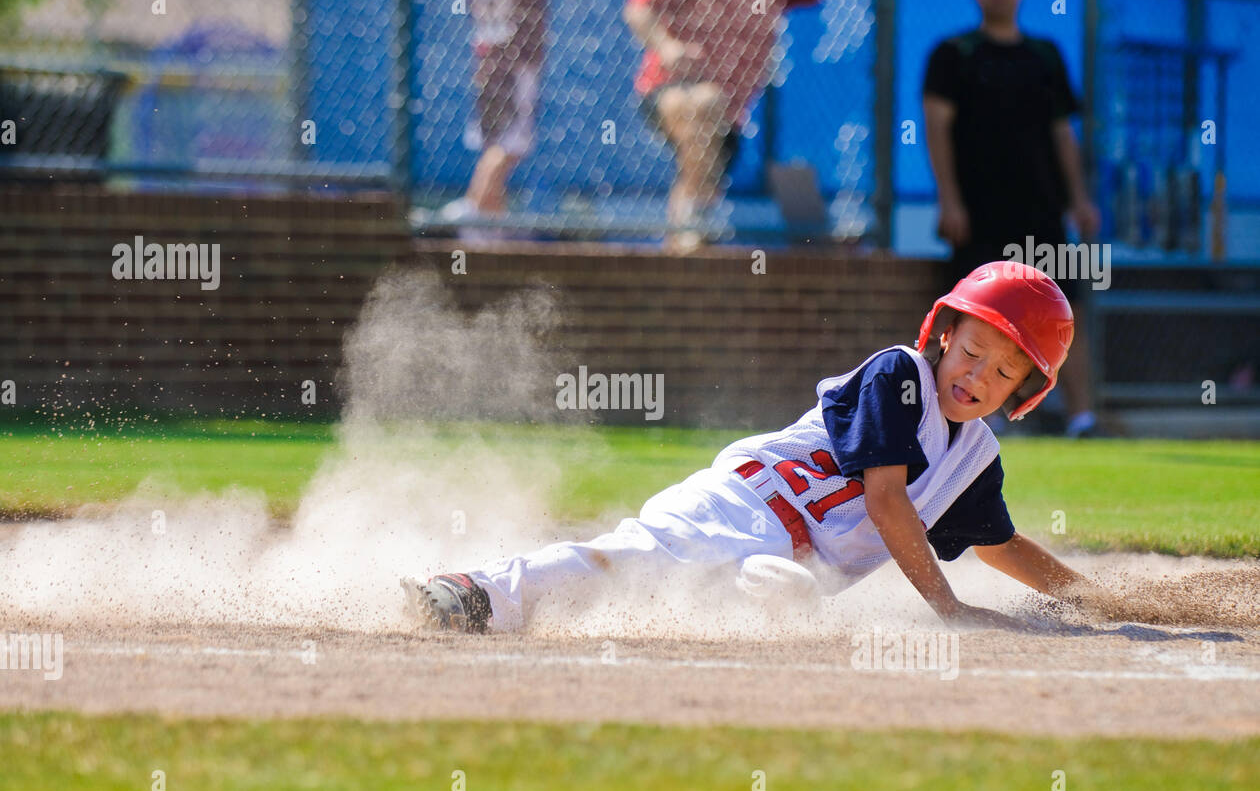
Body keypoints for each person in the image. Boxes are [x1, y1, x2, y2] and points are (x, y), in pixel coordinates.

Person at [404, 261, 1114, 634]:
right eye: (974, 349)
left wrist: (1096, 600)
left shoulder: (974, 458)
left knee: (766, 609)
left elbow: (999, 543)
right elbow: (887, 499)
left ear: (1026, 390)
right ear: (946, 333)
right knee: (643, 558)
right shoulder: (900, 376)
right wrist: (948, 608)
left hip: (790, 562)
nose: (977, 376)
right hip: (746, 502)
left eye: (1003, 371)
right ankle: (479, 592)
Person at [922, 0, 1102, 438]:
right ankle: (960, 419)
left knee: (1067, 309)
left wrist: (1079, 198)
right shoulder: (953, 54)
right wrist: (949, 201)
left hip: (1042, 212)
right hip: (980, 214)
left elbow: (1063, 134)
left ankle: (1081, 417)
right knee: (973, 315)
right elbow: (936, 128)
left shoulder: (1045, 55)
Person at [623, 0, 860, 254]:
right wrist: (667, 47)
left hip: (730, 113)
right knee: (702, 106)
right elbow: (638, 8)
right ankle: (694, 224)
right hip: (671, 88)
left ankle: (686, 235)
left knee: (702, 153)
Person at [438, 0, 599, 241]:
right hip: (515, 63)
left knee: (496, 144)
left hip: (487, 62)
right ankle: (474, 218)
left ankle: (491, 222)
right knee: (509, 147)